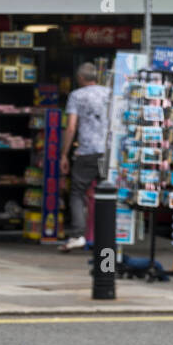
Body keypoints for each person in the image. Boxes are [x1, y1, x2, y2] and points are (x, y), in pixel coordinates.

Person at [59, 62, 110, 251]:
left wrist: (64, 154)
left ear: (80, 78)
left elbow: (71, 127)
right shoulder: (109, 93)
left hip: (87, 153)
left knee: (77, 192)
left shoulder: (76, 96)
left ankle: (78, 235)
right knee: (106, 192)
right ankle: (106, 235)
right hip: (106, 152)